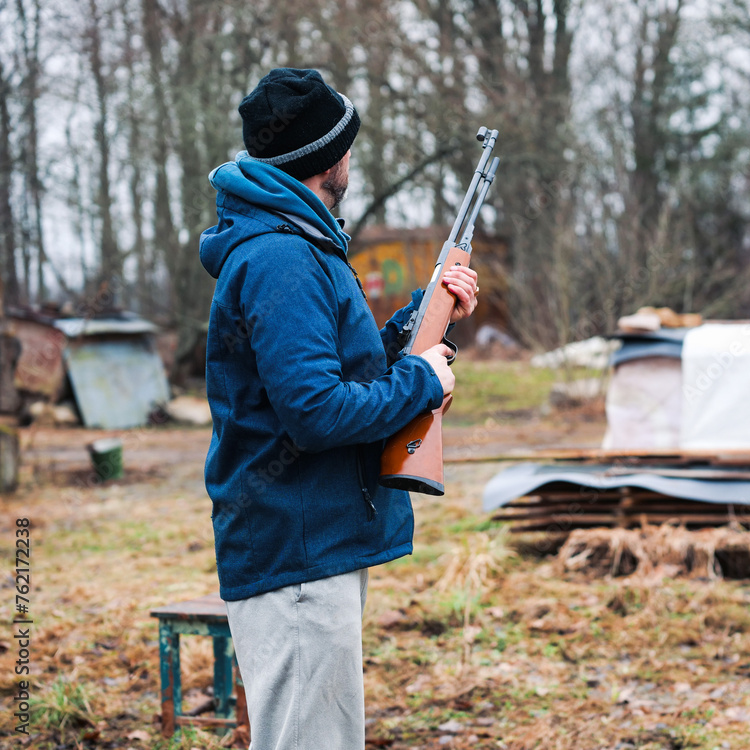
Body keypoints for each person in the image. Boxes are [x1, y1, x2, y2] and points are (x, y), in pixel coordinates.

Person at [199, 67, 479, 749]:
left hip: (308, 546)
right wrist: (422, 383)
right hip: (296, 553)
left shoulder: (296, 245)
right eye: (347, 144)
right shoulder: (282, 259)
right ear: (328, 158)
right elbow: (317, 411)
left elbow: (343, 372)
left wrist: (429, 318)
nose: (352, 157)